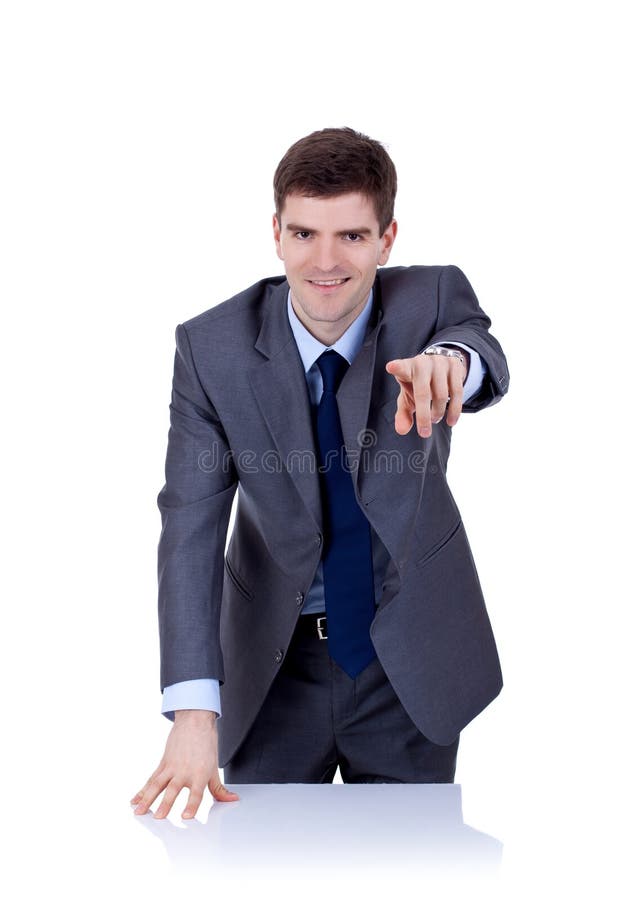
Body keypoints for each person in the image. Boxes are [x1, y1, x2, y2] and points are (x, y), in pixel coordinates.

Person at [131, 127, 509, 819]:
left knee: (416, 862)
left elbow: (475, 345)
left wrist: (451, 365)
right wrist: (192, 711)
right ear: (275, 234)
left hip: (408, 660)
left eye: (352, 236)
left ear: (386, 240)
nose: (325, 261)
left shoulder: (428, 300)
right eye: (304, 233)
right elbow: (188, 526)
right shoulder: (211, 349)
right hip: (273, 667)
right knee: (262, 860)